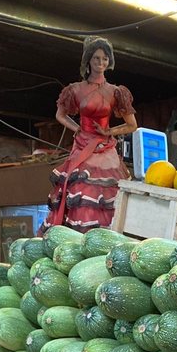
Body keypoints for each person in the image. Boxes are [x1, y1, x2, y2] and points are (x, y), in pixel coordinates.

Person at [41, 36, 137, 234]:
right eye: (96, 58)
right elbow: (60, 115)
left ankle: (105, 236)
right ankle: (78, 235)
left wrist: (109, 131)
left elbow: (132, 125)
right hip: (83, 145)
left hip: (105, 148)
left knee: (109, 190)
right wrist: (76, 128)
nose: (101, 63)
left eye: (105, 59)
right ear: (88, 61)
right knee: (80, 189)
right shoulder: (75, 89)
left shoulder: (116, 92)